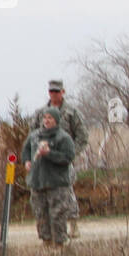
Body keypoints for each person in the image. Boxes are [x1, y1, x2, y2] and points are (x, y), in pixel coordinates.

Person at [31, 79, 88, 237]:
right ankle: (49, 229)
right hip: (45, 160)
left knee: (66, 190)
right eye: (51, 91)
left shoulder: (71, 112)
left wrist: (71, 154)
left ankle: (73, 223)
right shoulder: (41, 113)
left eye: (57, 91)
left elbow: (82, 136)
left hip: (63, 159)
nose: (54, 94)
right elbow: (32, 134)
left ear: (63, 92)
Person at [21, 107, 78, 248]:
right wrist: (26, 161)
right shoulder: (34, 135)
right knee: (40, 215)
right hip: (37, 182)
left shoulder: (63, 138)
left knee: (58, 215)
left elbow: (68, 157)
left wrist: (49, 154)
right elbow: (26, 149)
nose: (46, 121)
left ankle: (59, 245)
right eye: (44, 118)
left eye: (50, 118)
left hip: (56, 184)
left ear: (56, 120)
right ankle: (46, 242)